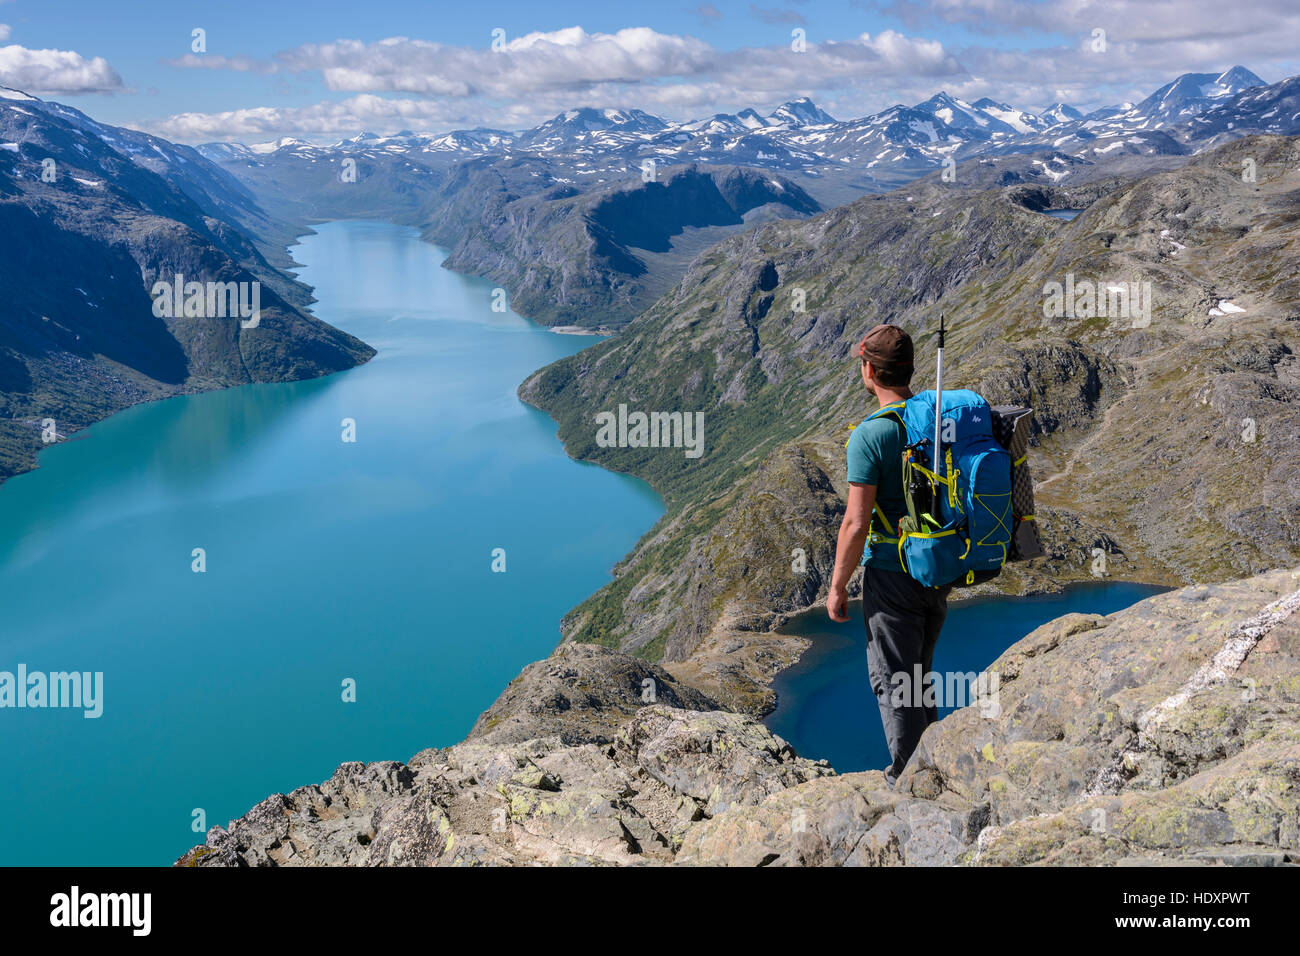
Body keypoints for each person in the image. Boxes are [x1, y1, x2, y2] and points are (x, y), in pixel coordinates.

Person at [826, 324, 951, 787]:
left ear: (868, 370)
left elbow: (856, 524)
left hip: (892, 574)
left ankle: (908, 778)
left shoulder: (871, 435)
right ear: (910, 369)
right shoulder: (938, 417)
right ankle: (932, 768)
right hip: (937, 570)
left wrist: (837, 587)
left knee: (894, 681)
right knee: (918, 674)